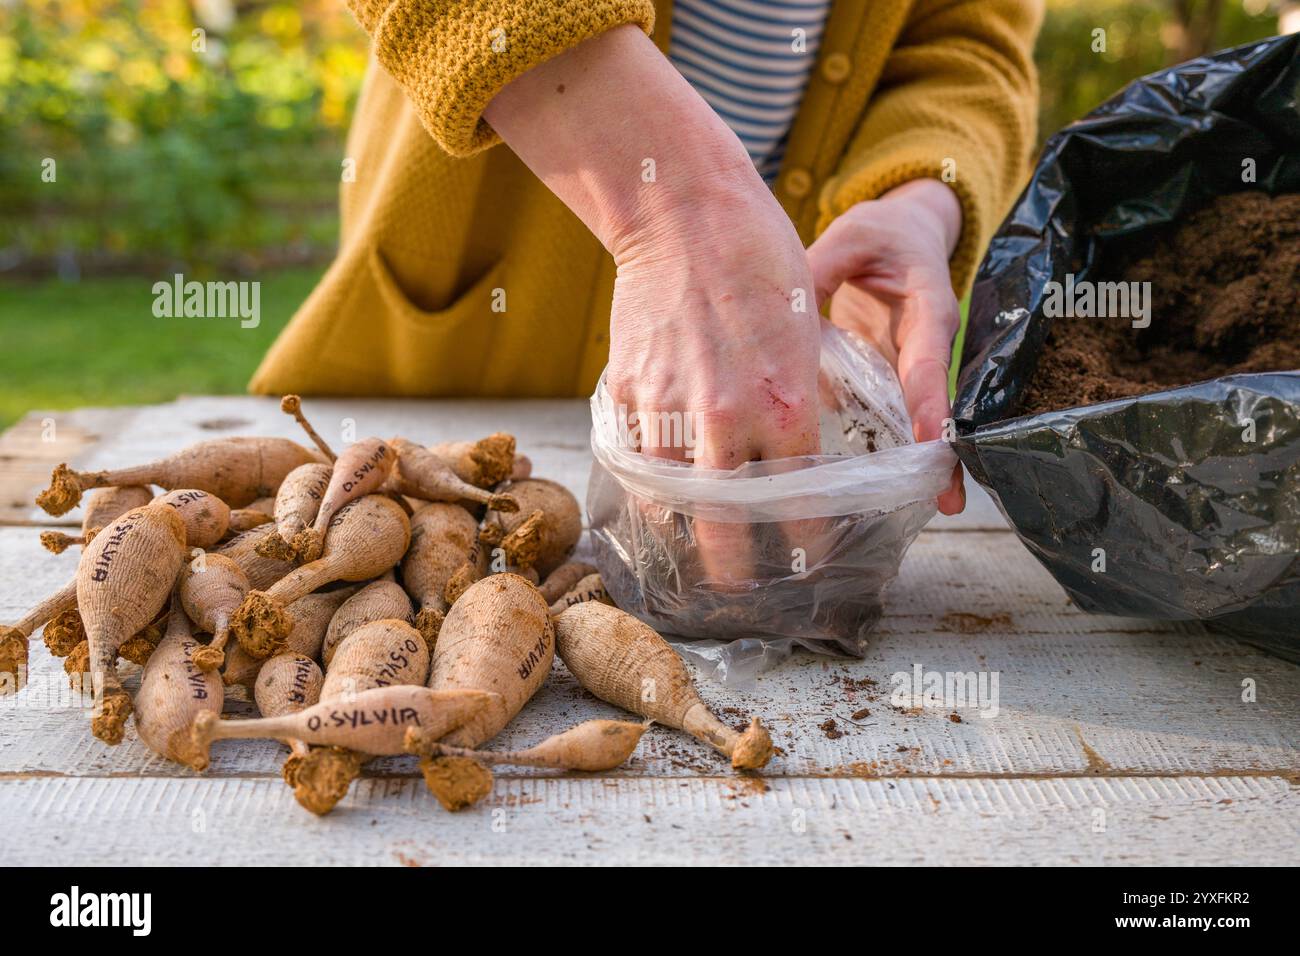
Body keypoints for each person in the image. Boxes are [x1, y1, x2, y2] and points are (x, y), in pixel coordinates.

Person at [252, 0, 1042, 526]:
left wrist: (911, 197)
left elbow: (966, 46)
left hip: (764, 381)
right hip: (465, 355)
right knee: (377, 514)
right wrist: (677, 205)